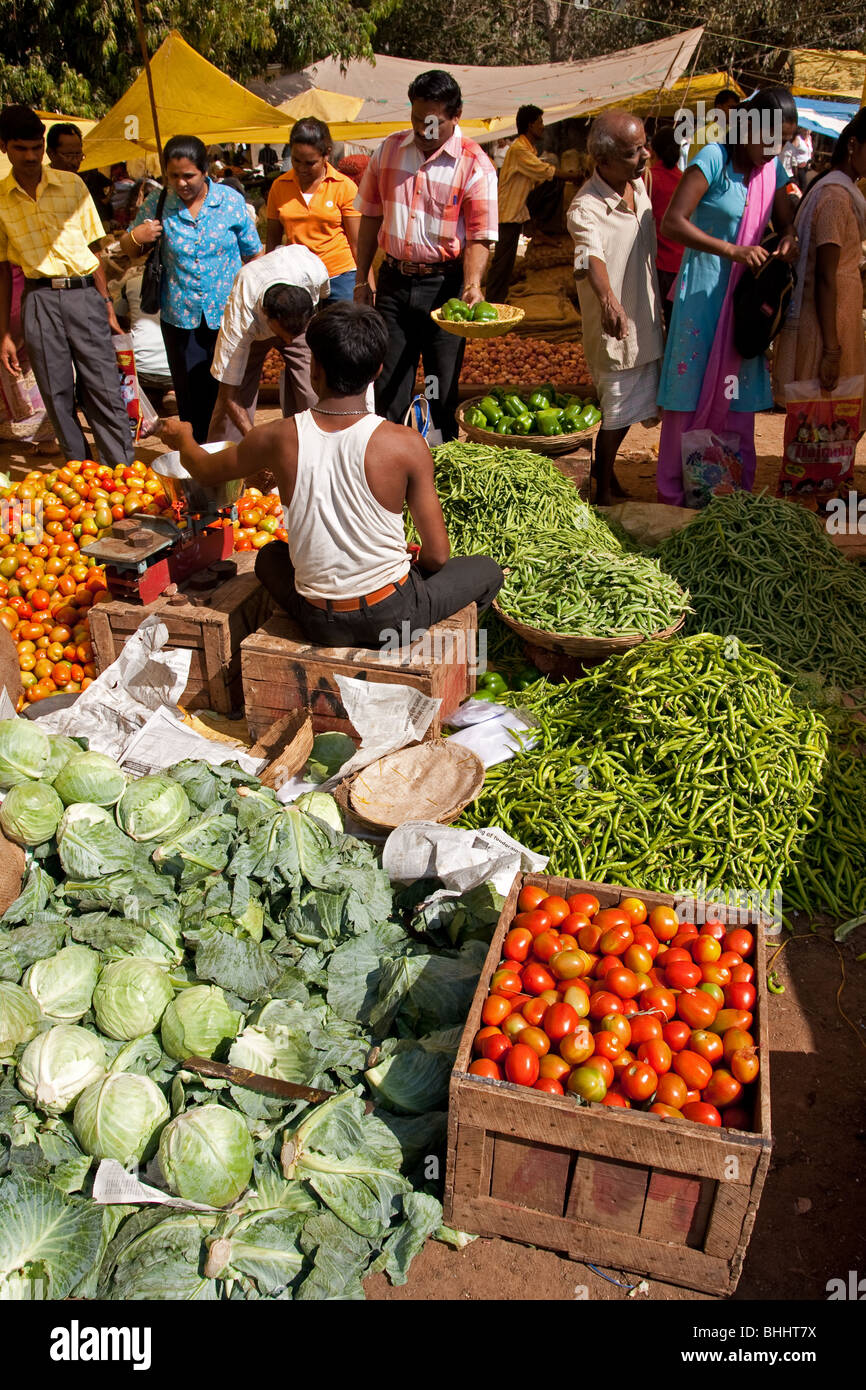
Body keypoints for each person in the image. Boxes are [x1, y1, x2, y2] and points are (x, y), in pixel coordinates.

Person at [159, 301, 503, 648]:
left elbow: (204, 469)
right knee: (487, 570)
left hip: (320, 623)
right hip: (395, 619)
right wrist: (407, 564)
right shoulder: (406, 444)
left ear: (315, 369)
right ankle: (448, 648)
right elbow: (437, 556)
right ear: (377, 371)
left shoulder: (276, 437)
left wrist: (183, 438)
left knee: (269, 557)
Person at [656, 87, 800, 505]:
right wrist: (731, 250)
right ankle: (677, 497)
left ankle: (730, 498)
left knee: (736, 397)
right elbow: (672, 223)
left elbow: (784, 215)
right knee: (690, 392)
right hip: (703, 295)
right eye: (771, 138)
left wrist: (788, 236)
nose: (777, 149)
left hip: (744, 302)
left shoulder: (771, 172)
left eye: (786, 140)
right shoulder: (713, 160)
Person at [353, 69, 498, 440]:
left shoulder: (475, 164)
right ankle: (389, 475)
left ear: (456, 115)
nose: (423, 129)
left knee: (441, 388)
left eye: (432, 122)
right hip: (393, 286)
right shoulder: (388, 150)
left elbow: (481, 235)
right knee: (388, 388)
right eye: (417, 119)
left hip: (444, 289)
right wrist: (361, 278)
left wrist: (472, 284)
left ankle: (439, 471)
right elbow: (369, 213)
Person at [0, 104, 134, 466]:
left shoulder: (72, 185)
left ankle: (120, 468)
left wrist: (106, 304)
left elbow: (95, 250)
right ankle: (82, 470)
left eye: (36, 148)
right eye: (20, 149)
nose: (30, 157)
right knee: (55, 392)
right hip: (38, 299)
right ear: (4, 147)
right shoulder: (0, 199)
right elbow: (2, 270)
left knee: (102, 384)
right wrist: (5, 335)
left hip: (83, 296)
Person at [119, 134, 262, 442]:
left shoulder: (230, 202)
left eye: (188, 176)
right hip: (180, 317)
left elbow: (253, 252)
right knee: (189, 393)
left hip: (228, 315)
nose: (181, 183)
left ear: (205, 171)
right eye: (173, 176)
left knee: (227, 387)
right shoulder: (158, 204)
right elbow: (128, 249)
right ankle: (197, 455)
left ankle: (227, 454)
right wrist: (138, 236)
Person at [567, 111, 665, 506]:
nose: (643, 156)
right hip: (615, 323)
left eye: (643, 146)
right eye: (632, 152)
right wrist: (609, 301)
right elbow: (590, 257)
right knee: (616, 409)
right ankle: (601, 490)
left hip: (646, 316)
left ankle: (603, 473)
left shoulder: (638, 185)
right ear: (603, 161)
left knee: (633, 406)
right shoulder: (585, 209)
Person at [773, 110, 866, 438]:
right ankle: (819, 487)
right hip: (828, 324)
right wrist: (831, 349)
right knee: (822, 422)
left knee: (832, 421)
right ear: (853, 145)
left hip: (834, 320)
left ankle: (827, 485)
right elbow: (825, 275)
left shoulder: (836, 191)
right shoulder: (835, 198)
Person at [206, 244, 330, 441]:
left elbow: (324, 295)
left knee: (312, 389)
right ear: (267, 317)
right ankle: (225, 461)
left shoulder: (313, 271)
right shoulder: (241, 316)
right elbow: (228, 393)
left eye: (292, 336)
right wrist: (255, 441)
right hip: (252, 331)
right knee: (235, 401)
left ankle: (315, 445)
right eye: (283, 335)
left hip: (297, 313)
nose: (288, 342)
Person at [266, 119, 363, 303]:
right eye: (296, 160)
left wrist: (365, 284)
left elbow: (358, 244)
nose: (302, 169)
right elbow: (272, 242)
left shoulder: (344, 186)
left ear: (326, 154)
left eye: (310, 163)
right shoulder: (279, 187)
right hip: (297, 280)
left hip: (339, 278)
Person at [485, 105, 573, 305]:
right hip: (508, 213)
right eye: (540, 123)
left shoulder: (528, 149)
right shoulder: (518, 149)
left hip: (519, 211)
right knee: (502, 261)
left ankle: (540, 228)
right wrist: (572, 176)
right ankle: (492, 302)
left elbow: (538, 178)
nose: (543, 127)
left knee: (505, 261)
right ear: (530, 125)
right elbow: (543, 170)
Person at [111, 262, 173, 415]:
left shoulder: (131, 284)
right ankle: (172, 392)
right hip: (173, 372)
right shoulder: (180, 283)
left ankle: (149, 396)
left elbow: (117, 317)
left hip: (141, 370)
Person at [647, 125, 684, 328]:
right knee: (676, 323)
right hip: (683, 264)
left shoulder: (648, 179)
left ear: (653, 150)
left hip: (660, 265)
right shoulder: (686, 180)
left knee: (658, 323)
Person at [684, 88, 741, 167]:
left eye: (737, 109)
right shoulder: (702, 134)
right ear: (718, 108)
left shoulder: (736, 134)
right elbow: (692, 166)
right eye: (731, 108)